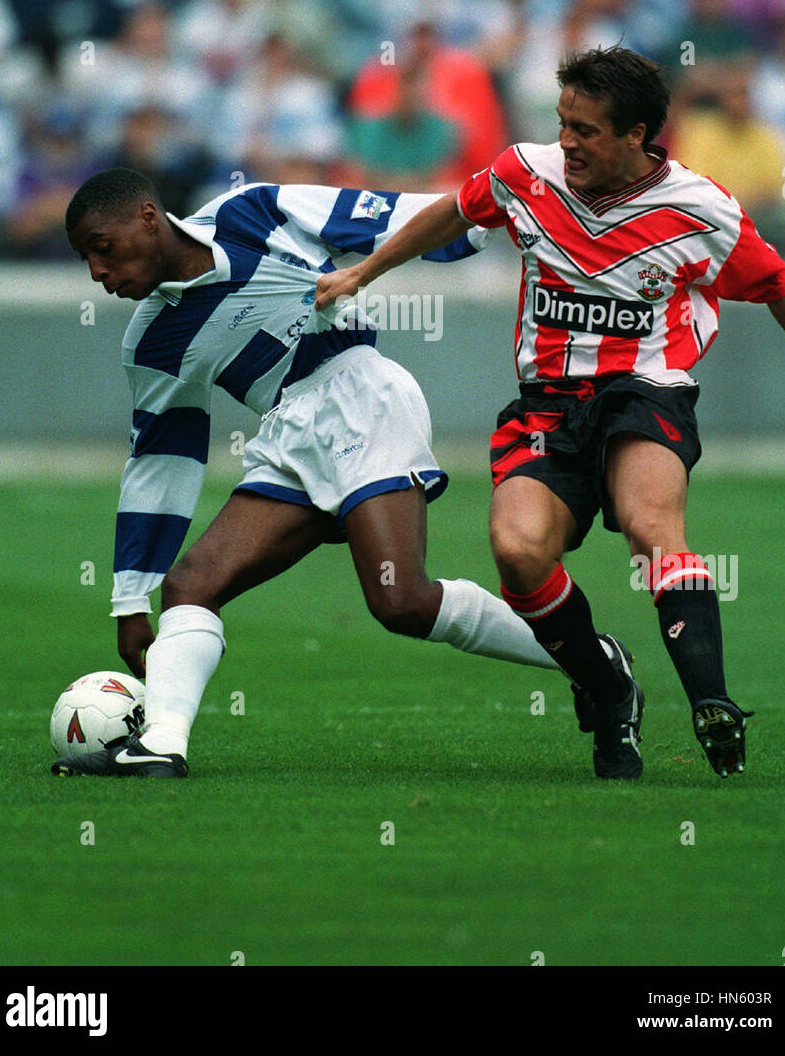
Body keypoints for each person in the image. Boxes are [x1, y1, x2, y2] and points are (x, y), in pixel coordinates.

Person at [316, 46, 785, 780]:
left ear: (637, 134)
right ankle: (609, 686)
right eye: (563, 125)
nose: (568, 143)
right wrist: (366, 271)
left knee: (653, 526)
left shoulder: (697, 208)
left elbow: (780, 287)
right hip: (548, 404)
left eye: (586, 130)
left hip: (646, 392)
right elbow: (454, 210)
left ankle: (713, 702)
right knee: (519, 552)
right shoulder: (528, 173)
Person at [53, 167, 627, 778]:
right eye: (87, 259)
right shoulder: (151, 343)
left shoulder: (252, 214)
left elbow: (380, 215)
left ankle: (591, 658)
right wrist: (129, 598)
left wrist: (481, 218)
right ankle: (162, 745)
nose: (97, 272)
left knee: (400, 602)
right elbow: (160, 463)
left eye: (102, 248)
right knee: (190, 587)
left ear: (148, 217)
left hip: (360, 400)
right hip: (288, 432)